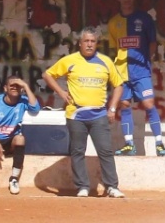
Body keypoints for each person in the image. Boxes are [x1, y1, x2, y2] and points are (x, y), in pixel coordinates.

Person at [44, 28, 126, 198]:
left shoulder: (105, 61)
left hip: (99, 115)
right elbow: (48, 74)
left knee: (105, 150)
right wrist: (61, 93)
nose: (89, 44)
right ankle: (82, 186)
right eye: (86, 41)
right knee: (77, 151)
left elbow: (118, 85)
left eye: (92, 41)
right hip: (76, 115)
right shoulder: (70, 60)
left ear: (96, 44)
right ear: (80, 43)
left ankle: (112, 186)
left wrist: (112, 108)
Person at [108, 0, 165, 157]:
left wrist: (146, 60)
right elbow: (115, 49)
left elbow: (152, 42)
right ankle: (129, 144)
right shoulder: (113, 23)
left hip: (141, 71)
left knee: (149, 104)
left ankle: (159, 143)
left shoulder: (144, 19)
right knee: (125, 105)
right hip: (121, 72)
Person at [0, 78, 41, 194]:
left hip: (9, 141)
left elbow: (35, 108)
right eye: (12, 86)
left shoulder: (23, 101)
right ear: (5, 88)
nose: (15, 88)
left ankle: (14, 179)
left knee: (20, 138)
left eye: (18, 86)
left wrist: (25, 85)